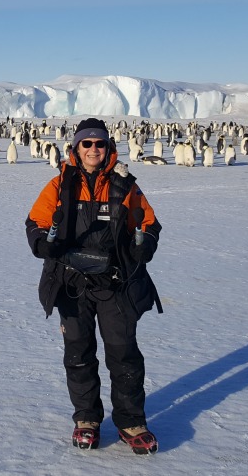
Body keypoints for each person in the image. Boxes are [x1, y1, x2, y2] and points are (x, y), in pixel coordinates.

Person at [25, 117, 163, 455]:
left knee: (123, 353)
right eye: (86, 143)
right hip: (72, 282)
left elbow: (148, 222)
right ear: (76, 147)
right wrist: (41, 241)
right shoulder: (60, 184)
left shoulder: (124, 185)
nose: (93, 149)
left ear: (108, 147)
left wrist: (144, 245)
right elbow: (37, 220)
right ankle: (86, 418)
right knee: (78, 353)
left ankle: (131, 421)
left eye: (99, 143)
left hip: (115, 281)